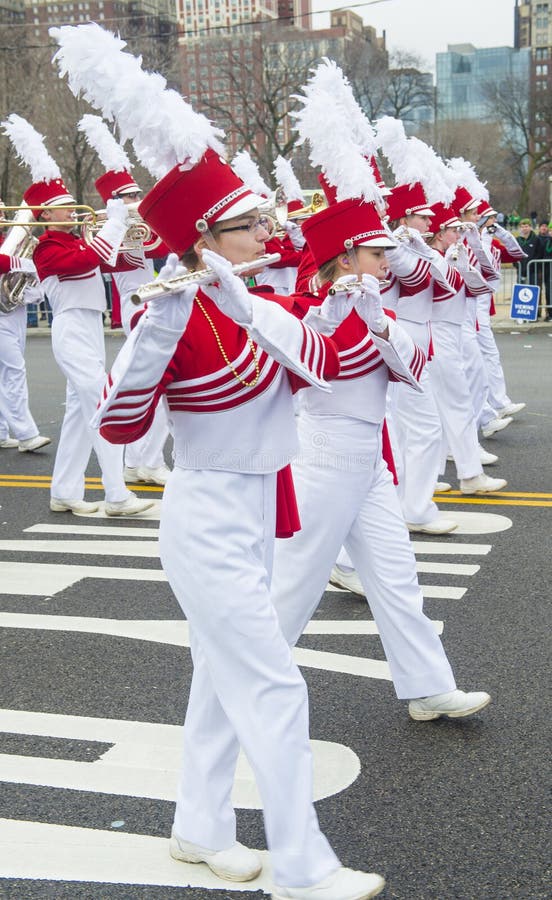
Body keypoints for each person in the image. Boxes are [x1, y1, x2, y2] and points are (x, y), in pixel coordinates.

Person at [94, 147, 385, 899]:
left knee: (221, 684)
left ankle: (200, 826)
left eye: (259, 221)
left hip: (258, 509)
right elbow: (121, 427)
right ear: (203, 240)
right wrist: (159, 329)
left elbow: (321, 363)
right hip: (206, 515)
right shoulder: (169, 315)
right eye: (248, 226)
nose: (266, 236)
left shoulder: (258, 306)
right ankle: (303, 867)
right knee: (273, 686)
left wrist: (260, 304)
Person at [267, 192, 491, 722]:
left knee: (397, 579)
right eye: (375, 254)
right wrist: (327, 317)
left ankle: (429, 687)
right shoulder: (304, 311)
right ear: (345, 259)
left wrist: (382, 324)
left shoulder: (381, 311)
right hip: (323, 459)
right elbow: (305, 372)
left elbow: (415, 373)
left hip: (369, 464)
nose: (386, 262)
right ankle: (244, 687)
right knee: (293, 591)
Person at [0, 196, 51, 452]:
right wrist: (25, 263)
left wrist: (32, 283)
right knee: (14, 371)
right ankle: (26, 434)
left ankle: (0, 432)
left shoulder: (10, 241)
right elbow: (2, 262)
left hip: (12, 310)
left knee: (6, 372)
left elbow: (22, 281)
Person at [533, 222, 552, 319]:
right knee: (537, 290)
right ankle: (537, 311)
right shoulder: (536, 239)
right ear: (539, 228)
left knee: (549, 290)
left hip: (549, 268)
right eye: (542, 226)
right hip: (538, 268)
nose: (544, 228)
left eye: (545, 226)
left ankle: (549, 312)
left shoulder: (550, 239)